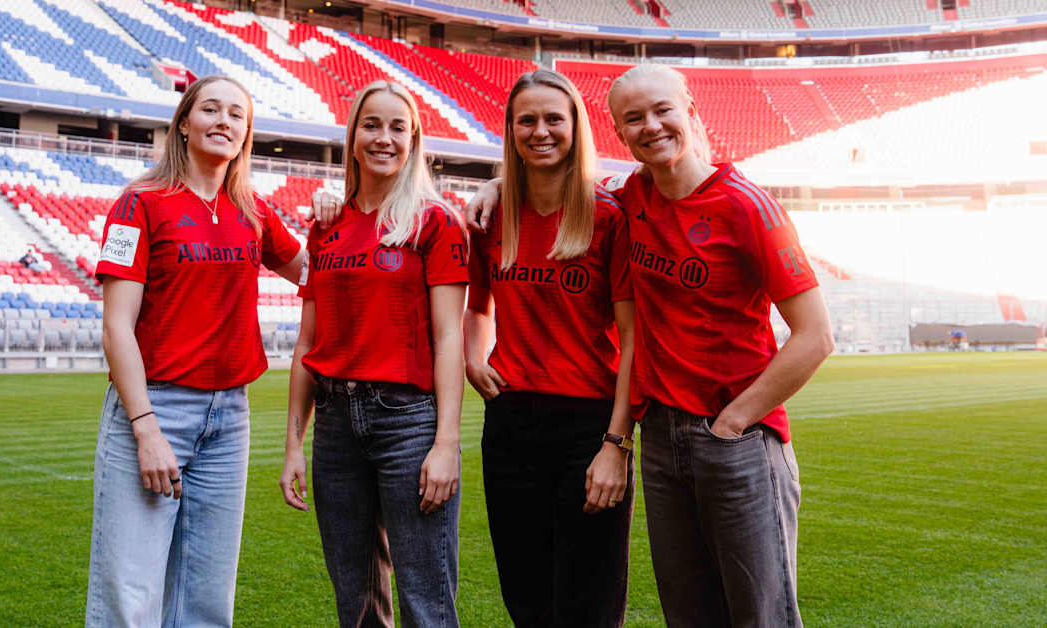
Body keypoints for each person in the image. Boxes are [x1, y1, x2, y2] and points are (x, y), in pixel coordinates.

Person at [466, 64, 834, 627]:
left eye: (662, 111)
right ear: (617, 132)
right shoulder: (631, 198)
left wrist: (734, 422)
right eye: (633, 118)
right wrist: (497, 183)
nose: (651, 126)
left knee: (761, 614)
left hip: (734, 437)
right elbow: (556, 188)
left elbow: (816, 335)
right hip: (661, 433)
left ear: (691, 111)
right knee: (687, 613)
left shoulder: (747, 205)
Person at [87, 75, 304, 627]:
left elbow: (320, 275)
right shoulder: (138, 202)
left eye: (237, 114)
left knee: (207, 600)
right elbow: (116, 327)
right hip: (154, 409)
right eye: (211, 109)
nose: (224, 121)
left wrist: (340, 215)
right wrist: (145, 428)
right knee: (129, 598)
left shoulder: (253, 210)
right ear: (184, 122)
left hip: (229, 417)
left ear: (247, 133)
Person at [280, 81, 468, 628]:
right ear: (353, 136)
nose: (383, 138)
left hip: (407, 420)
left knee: (426, 599)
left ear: (414, 141)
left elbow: (449, 338)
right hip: (336, 425)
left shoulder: (435, 221)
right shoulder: (325, 225)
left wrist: (446, 444)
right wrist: (295, 444)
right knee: (356, 603)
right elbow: (307, 344)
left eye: (397, 128)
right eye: (371, 125)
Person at [464, 69, 635, 627]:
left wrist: (617, 443)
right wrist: (473, 357)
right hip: (510, 423)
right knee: (526, 595)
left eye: (553, 119)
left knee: (589, 598)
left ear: (575, 127)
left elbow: (633, 340)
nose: (541, 131)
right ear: (511, 130)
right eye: (527, 120)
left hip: (589, 425)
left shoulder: (607, 216)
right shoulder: (491, 219)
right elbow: (478, 307)